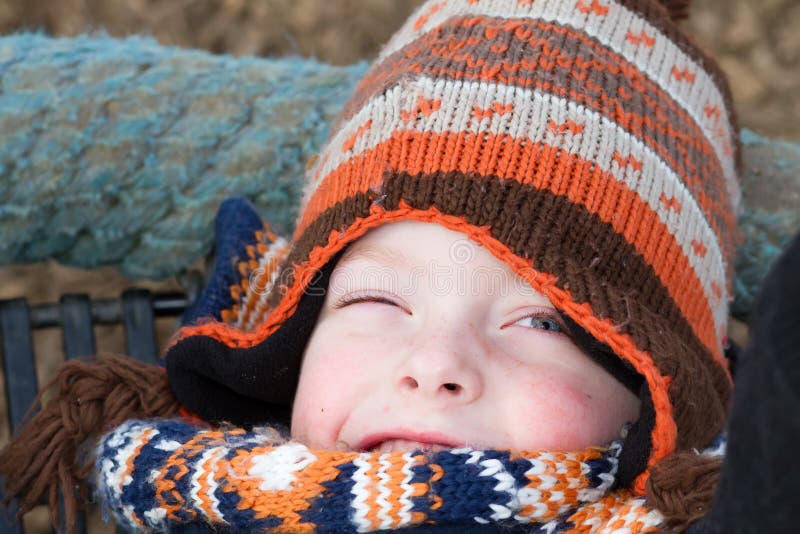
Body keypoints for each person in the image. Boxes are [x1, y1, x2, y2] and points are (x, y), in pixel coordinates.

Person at [4, 0, 782, 532]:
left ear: (656, 396)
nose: (435, 366)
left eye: (542, 319)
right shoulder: (184, 485)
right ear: (290, 345)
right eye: (375, 300)